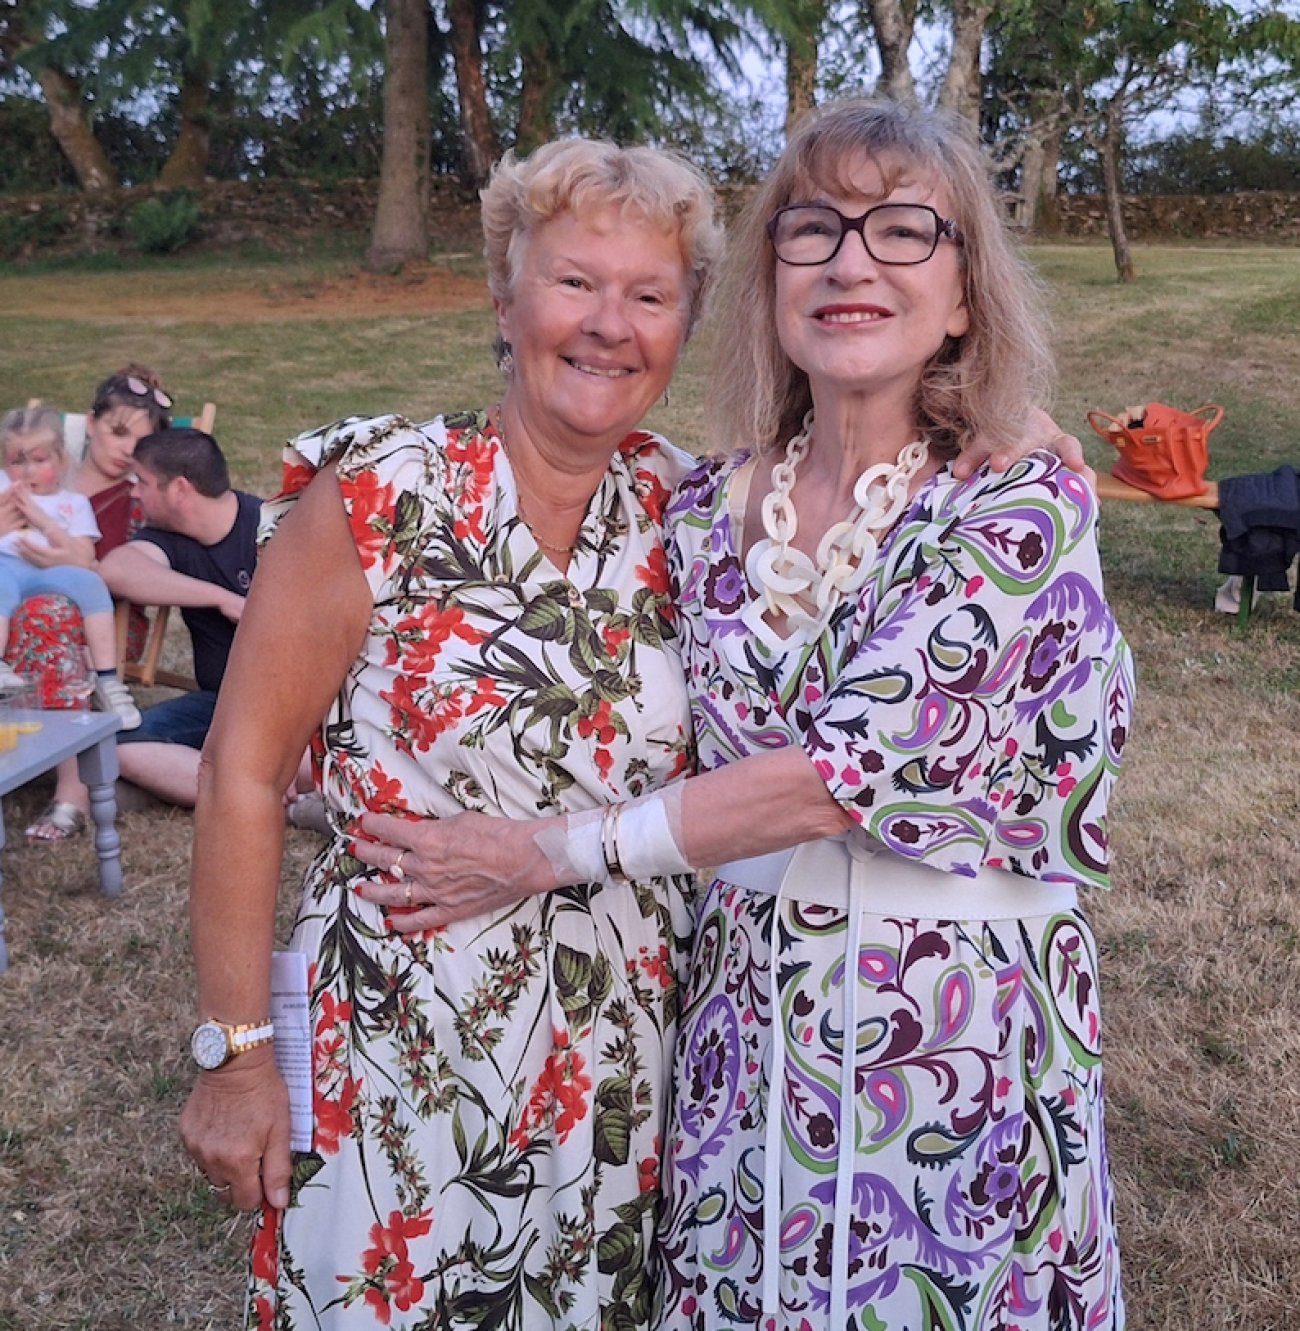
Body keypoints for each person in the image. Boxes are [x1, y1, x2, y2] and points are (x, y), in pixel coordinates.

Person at [341, 102, 1133, 1331]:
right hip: (738, 1031)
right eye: (813, 228)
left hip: (957, 1038)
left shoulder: (1017, 503)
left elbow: (832, 775)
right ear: (770, 281)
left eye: (904, 230)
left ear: (964, 294)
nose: (851, 261)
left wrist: (541, 851)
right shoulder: (701, 510)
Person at [3, 367, 171, 839]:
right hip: (11, 598)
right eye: (118, 432)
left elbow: (118, 571)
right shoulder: (25, 480)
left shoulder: (136, 497)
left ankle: (70, 795)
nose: (127, 450)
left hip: (106, 618)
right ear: (91, 422)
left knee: (48, 613)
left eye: (141, 442)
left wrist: (75, 560)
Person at [99, 427, 259, 808]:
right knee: (116, 745)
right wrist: (220, 598)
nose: (134, 492)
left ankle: (202, 782)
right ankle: (267, 794)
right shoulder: (168, 535)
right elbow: (116, 570)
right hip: (220, 704)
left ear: (179, 489)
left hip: (292, 706)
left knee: (309, 753)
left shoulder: (270, 529)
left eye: (142, 481)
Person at [0, 406, 140, 726]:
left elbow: (85, 559)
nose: (27, 472)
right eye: (17, 462)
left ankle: (108, 681)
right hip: (4, 565)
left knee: (91, 584)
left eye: (39, 460)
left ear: (61, 460)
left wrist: (43, 520)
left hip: (49, 573)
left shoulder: (73, 503)